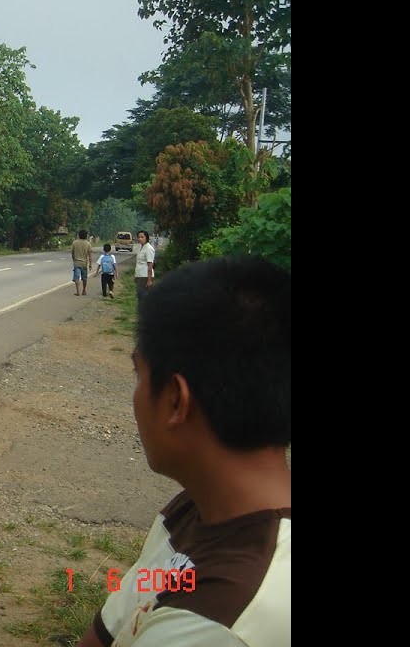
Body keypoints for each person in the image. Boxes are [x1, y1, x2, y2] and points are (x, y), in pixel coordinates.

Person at [77, 256, 291, 647]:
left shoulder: (220, 624)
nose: (136, 395)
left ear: (176, 400)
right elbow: (107, 631)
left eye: (138, 375)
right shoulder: (193, 511)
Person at [71, 229, 94, 296]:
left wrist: (74, 260)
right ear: (86, 236)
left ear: (79, 235)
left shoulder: (74, 243)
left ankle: (77, 291)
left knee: (76, 277)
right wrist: (90, 264)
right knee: (84, 278)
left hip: (77, 262)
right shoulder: (88, 244)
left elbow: (72, 253)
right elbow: (90, 255)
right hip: (84, 263)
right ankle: (84, 290)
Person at [135, 229, 156, 299]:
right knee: (139, 295)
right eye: (138, 237)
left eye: (142, 237)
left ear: (146, 238)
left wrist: (149, 280)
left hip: (145, 276)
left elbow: (150, 265)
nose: (140, 239)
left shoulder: (148, 248)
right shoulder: (141, 247)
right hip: (140, 275)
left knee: (144, 296)